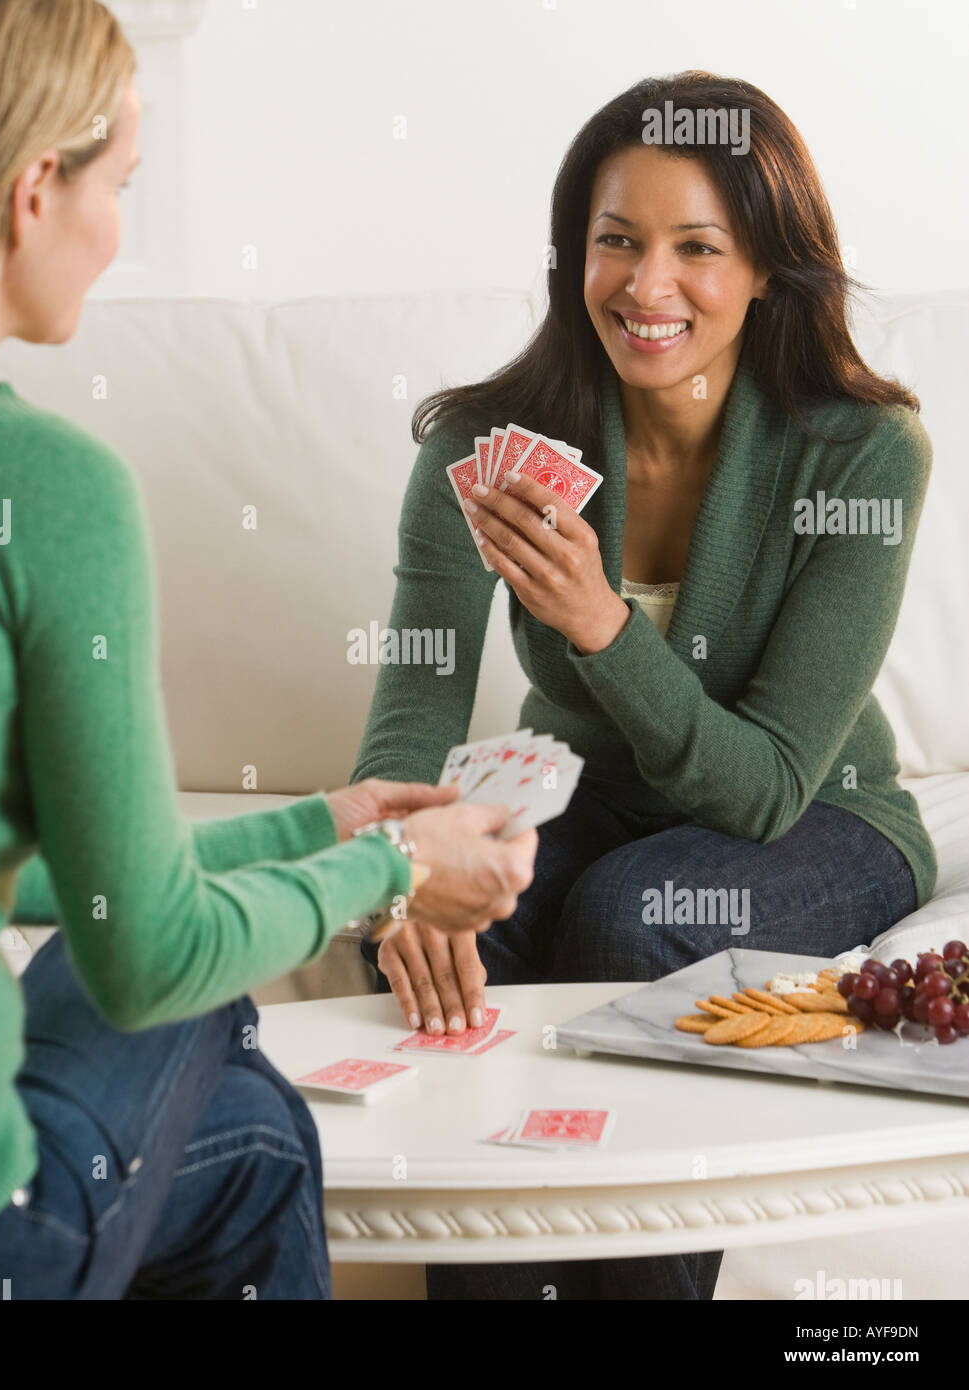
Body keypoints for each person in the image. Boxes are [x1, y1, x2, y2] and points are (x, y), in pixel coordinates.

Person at [0, 0, 537, 1299]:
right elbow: (148, 953)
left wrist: (314, 825)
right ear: (35, 187)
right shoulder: (41, 483)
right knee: (201, 1002)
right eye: (122, 187)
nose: (117, 235)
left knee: (257, 1144)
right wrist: (386, 864)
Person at [353, 70, 934, 1299]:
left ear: (769, 268)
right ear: (575, 255)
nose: (646, 286)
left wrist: (604, 626)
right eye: (617, 242)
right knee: (445, 924)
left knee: (630, 911)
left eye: (697, 249)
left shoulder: (864, 449)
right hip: (591, 794)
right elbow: (412, 721)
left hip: (820, 811)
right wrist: (395, 870)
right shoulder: (481, 446)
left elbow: (766, 786)